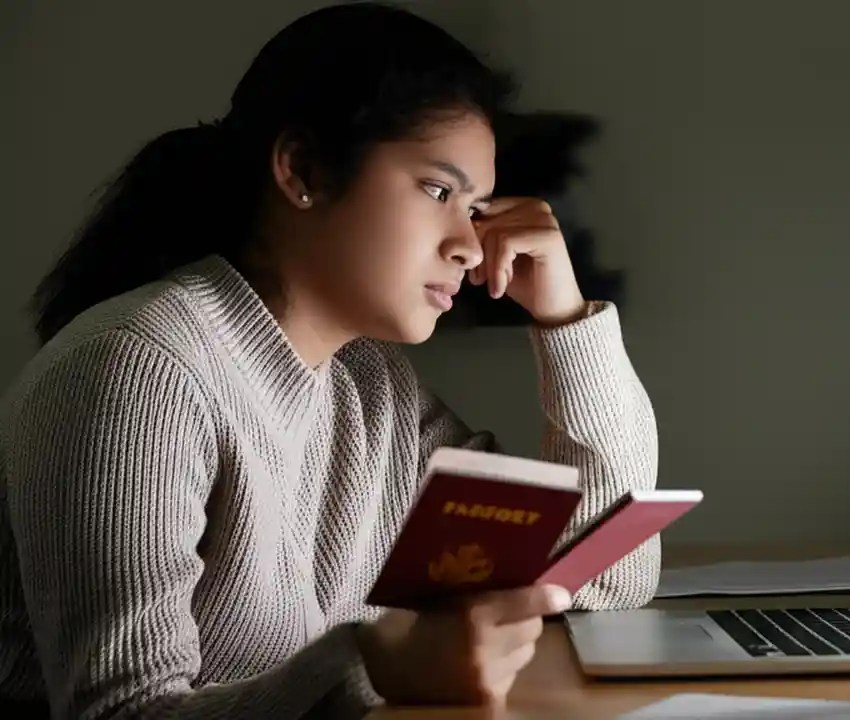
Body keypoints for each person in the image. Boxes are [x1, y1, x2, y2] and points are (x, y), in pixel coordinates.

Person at [0, 3, 659, 717]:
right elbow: (119, 712)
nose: (470, 246)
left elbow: (606, 572)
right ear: (303, 169)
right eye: (438, 191)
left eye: (476, 209)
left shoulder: (371, 390)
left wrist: (567, 321)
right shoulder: (137, 370)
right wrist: (373, 664)